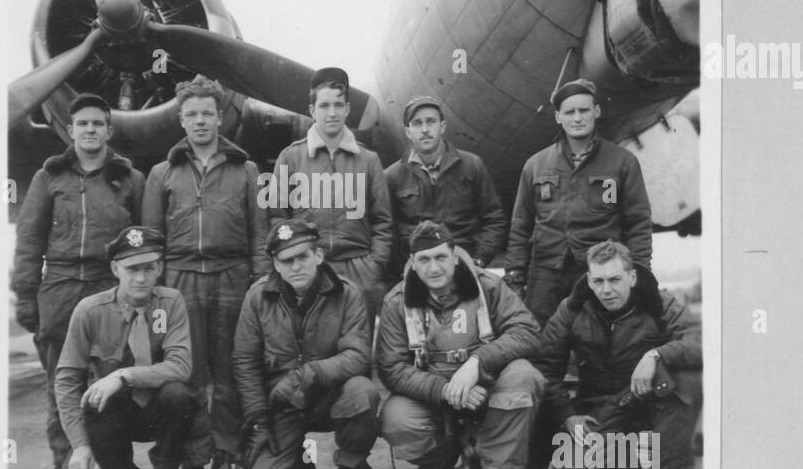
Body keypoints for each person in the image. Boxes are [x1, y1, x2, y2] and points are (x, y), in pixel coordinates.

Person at [11, 93, 145, 469]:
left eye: (97, 123)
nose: (90, 130)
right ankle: (61, 463)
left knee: (112, 381)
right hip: (62, 288)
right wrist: (27, 295)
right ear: (70, 131)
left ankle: (116, 464)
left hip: (110, 291)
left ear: (109, 129)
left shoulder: (130, 179)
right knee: (60, 383)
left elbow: (144, 245)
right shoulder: (48, 177)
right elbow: (30, 239)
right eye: (82, 124)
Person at [143, 76, 268, 469]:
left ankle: (226, 460)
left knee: (231, 372)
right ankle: (193, 461)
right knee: (189, 375)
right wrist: (157, 290)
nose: (200, 121)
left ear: (220, 118)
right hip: (179, 281)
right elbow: (151, 239)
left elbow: (258, 234)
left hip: (232, 277)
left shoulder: (246, 171)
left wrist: (259, 283)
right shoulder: (161, 174)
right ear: (181, 120)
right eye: (192, 114)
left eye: (207, 114)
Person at [376, 221, 547, 469]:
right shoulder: (396, 302)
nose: (434, 268)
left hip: (486, 383)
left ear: (455, 257)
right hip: (433, 392)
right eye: (425, 260)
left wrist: (477, 364)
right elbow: (392, 368)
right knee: (396, 416)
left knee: (523, 377)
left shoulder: (488, 286)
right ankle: (439, 463)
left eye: (441, 257)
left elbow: (527, 331)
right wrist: (445, 390)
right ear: (412, 264)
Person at [536, 240, 702, 469]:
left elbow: (699, 340)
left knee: (688, 377)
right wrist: (567, 415)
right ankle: (628, 460)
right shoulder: (571, 310)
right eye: (598, 281)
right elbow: (546, 367)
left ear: (632, 277)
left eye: (615, 279)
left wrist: (655, 355)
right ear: (589, 279)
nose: (606, 290)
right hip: (604, 410)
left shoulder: (658, 303)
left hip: (650, 403)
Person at [232, 219, 380, 469]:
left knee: (363, 391)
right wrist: (258, 417)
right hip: (283, 401)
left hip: (330, 395)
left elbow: (357, 356)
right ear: (275, 264)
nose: (296, 267)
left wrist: (310, 372)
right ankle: (296, 460)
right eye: (287, 260)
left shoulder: (347, 293)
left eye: (303, 257)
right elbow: (245, 361)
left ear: (319, 256)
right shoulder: (257, 297)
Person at [52, 227, 198, 469]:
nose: (141, 278)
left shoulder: (170, 304)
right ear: (115, 268)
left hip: (155, 410)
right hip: (108, 416)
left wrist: (122, 376)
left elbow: (181, 366)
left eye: (148, 268)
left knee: (179, 395)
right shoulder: (90, 311)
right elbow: (66, 381)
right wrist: (80, 446)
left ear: (160, 267)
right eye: (132, 269)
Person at [504, 78, 653, 326]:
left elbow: (638, 224)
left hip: (598, 274)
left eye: (584, 110)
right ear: (558, 117)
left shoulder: (622, 162)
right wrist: (514, 277)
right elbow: (520, 227)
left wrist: (638, 273)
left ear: (596, 111)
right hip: (545, 276)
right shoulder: (536, 165)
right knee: (542, 348)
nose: (577, 118)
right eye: (569, 112)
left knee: (598, 345)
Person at [271, 67, 391, 324]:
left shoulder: (369, 160)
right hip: (310, 267)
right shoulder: (290, 158)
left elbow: (383, 221)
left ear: (348, 109)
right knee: (314, 347)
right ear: (312, 110)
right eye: (324, 105)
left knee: (359, 351)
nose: (332, 113)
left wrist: (373, 266)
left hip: (359, 271)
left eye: (338, 105)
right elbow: (277, 217)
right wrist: (296, 261)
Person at [384, 95, 506, 276]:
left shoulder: (472, 165)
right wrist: (404, 268)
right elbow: (386, 229)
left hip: (465, 266)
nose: (425, 129)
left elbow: (494, 218)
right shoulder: (392, 176)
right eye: (417, 123)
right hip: (417, 270)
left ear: (442, 126)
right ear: (408, 132)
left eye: (431, 121)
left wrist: (478, 260)